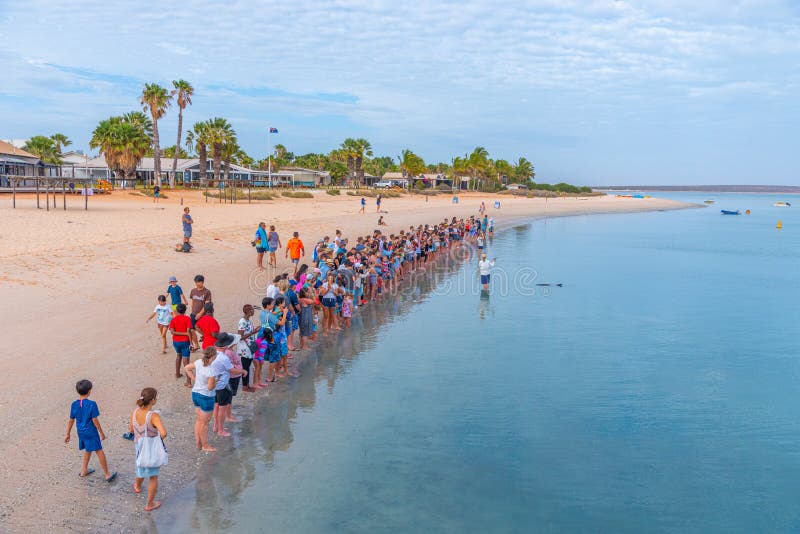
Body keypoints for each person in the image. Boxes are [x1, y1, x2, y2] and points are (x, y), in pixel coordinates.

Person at [64, 379, 117, 482]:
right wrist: (101, 433)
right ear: (89, 391)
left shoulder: (74, 404)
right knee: (99, 450)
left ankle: (84, 471)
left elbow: (71, 420)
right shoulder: (92, 404)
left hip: (80, 431)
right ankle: (107, 474)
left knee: (88, 449)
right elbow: (95, 419)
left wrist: (67, 434)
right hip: (91, 431)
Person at [130, 387, 167, 512]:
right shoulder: (153, 416)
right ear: (152, 400)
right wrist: (156, 439)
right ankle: (149, 504)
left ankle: (137, 486)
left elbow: (130, 430)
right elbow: (163, 433)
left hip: (138, 445)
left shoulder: (135, 412)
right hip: (150, 447)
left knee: (141, 465)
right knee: (153, 476)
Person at [211, 333, 246, 437]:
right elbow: (232, 370)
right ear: (226, 346)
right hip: (222, 385)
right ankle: (220, 430)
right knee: (222, 407)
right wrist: (243, 371)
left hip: (214, 384)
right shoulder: (223, 357)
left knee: (216, 405)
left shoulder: (214, 353)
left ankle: (216, 425)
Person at [184, 348, 217, 452]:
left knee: (199, 420)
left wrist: (194, 379)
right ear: (213, 357)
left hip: (195, 393)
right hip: (206, 396)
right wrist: (217, 380)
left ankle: (198, 443)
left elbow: (187, 367)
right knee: (204, 423)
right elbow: (210, 387)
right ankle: (205, 445)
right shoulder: (211, 370)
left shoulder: (199, 362)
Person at [168, 303, 193, 386]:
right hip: (185, 342)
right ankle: (189, 381)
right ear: (185, 311)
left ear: (177, 311)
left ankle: (177, 373)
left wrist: (181, 333)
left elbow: (172, 332)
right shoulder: (187, 319)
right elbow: (188, 331)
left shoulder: (173, 320)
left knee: (178, 356)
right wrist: (190, 341)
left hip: (176, 342)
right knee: (186, 361)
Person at [189, 275, 212, 351]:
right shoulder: (193, 291)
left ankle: (206, 338)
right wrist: (192, 311)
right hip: (193, 313)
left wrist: (200, 314)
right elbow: (192, 301)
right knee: (191, 329)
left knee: (203, 330)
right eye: (196, 282)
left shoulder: (207, 292)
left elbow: (207, 305)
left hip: (203, 315)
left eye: (199, 282)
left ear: (202, 282)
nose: (197, 283)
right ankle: (196, 345)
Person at [238, 304, 257, 392]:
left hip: (248, 347)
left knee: (247, 366)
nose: (253, 311)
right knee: (245, 367)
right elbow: (240, 336)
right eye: (252, 310)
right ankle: (245, 387)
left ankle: (247, 385)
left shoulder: (247, 320)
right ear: (249, 311)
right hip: (244, 348)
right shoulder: (243, 321)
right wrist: (253, 332)